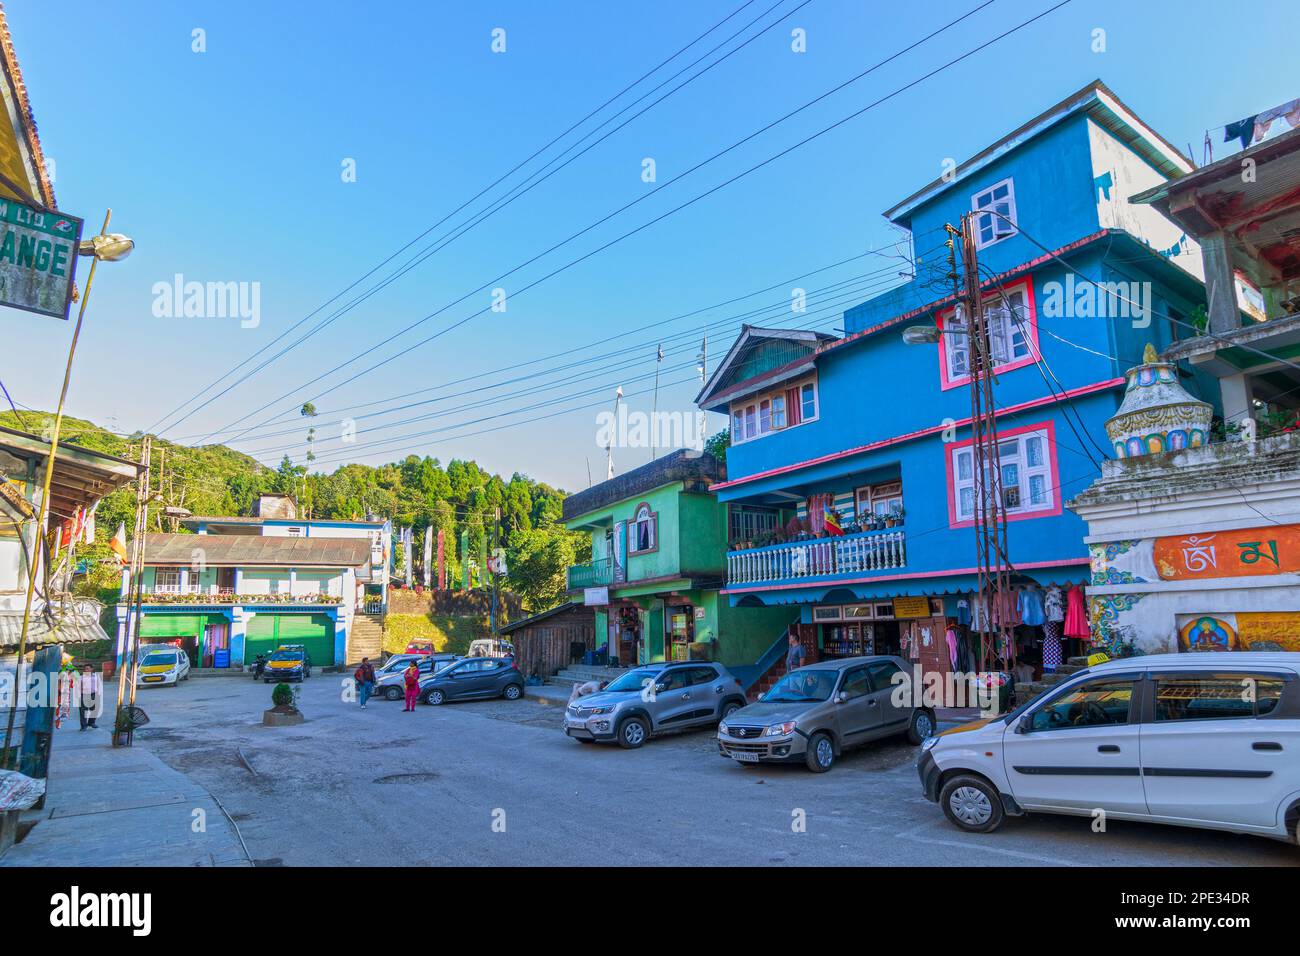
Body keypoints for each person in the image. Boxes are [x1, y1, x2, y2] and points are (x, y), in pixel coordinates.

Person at [78, 665, 102, 730]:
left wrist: (98, 694)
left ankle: (91, 723)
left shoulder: (96, 676)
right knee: (83, 711)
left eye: (88, 668)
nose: (86, 670)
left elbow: (99, 685)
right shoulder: (81, 677)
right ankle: (83, 726)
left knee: (95, 709)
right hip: (84, 695)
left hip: (93, 694)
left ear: (92, 669)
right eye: (85, 669)